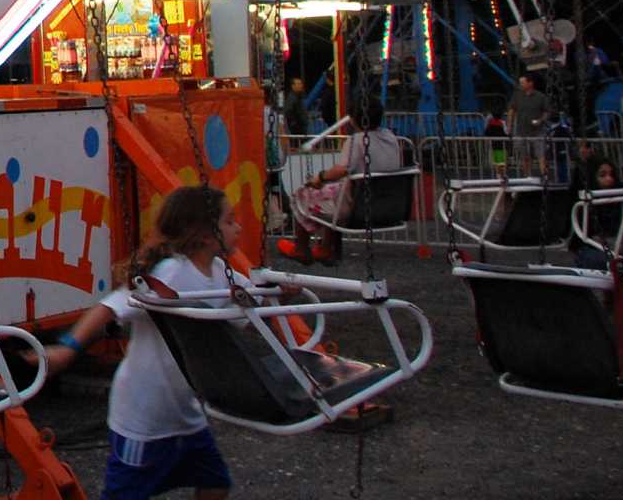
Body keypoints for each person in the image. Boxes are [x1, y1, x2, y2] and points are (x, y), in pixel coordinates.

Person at [45, 185, 243, 500]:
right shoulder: (172, 273)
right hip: (144, 416)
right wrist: (69, 347)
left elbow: (252, 299)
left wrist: (283, 290)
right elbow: (112, 305)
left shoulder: (220, 272)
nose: (238, 228)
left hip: (185, 413)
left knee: (215, 484)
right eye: (229, 221)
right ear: (205, 234)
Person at [280, 99, 404, 265]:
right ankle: (328, 248)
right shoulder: (390, 137)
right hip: (388, 206)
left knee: (303, 194)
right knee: (333, 192)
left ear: (352, 120)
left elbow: (342, 169)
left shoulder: (357, 141)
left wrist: (320, 177)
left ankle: (301, 248)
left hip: (357, 209)